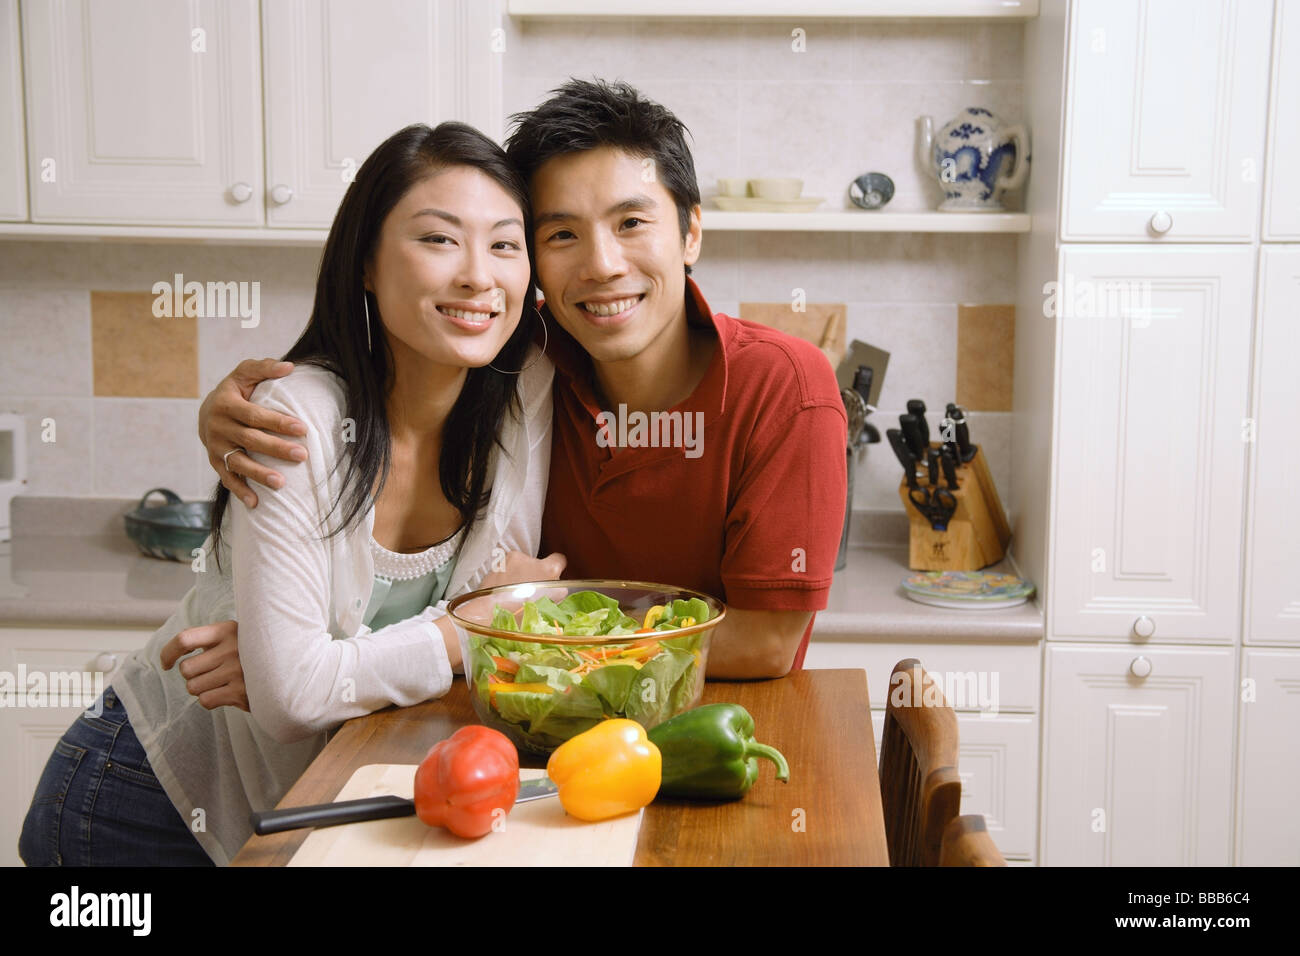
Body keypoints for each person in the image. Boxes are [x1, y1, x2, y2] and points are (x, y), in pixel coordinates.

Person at [18, 122, 560, 867]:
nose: (477, 275)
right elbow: (295, 701)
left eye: (505, 244)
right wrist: (473, 630)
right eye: (438, 240)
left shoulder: (523, 395)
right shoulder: (297, 419)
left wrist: (328, 660)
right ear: (366, 261)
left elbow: (300, 684)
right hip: (135, 796)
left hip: (293, 798)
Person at [198, 78, 847, 685]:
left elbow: (765, 643)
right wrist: (295, 653)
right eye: (561, 234)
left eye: (632, 223)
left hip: (708, 731)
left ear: (690, 231)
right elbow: (373, 378)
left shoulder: (783, 386)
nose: (601, 264)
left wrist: (524, 615)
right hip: (533, 732)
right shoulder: (521, 361)